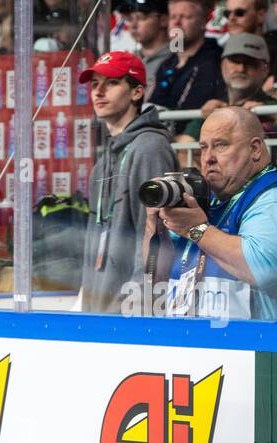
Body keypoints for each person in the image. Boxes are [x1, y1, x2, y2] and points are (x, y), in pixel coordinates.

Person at [148, 107, 277, 321]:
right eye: (204, 148)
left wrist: (197, 229)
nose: (208, 158)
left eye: (220, 145)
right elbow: (157, 274)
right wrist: (154, 225)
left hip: (272, 340)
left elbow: (260, 270)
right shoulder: (209, 201)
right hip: (205, 336)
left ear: (255, 149)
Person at [78, 52, 177, 314]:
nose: (99, 91)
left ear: (137, 92)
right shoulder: (103, 162)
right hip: (100, 313)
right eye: (95, 84)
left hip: (131, 316)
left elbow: (154, 235)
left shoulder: (149, 148)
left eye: (112, 82)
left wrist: (138, 308)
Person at [177, 34, 277, 142]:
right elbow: (184, 145)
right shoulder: (214, 108)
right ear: (222, 65)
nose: (241, 69)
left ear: (265, 69)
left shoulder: (270, 106)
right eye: (235, 61)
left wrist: (275, 117)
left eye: (250, 63)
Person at [151, 0, 227, 122]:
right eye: (173, 17)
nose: (176, 22)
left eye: (186, 17)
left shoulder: (216, 60)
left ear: (203, 22)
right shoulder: (167, 64)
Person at [123, 0, 171, 94]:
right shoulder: (127, 61)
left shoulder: (177, 59)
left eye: (141, 18)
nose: (133, 25)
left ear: (163, 20)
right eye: (129, 19)